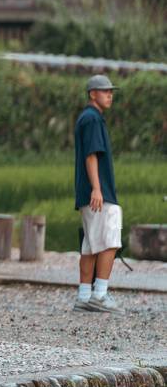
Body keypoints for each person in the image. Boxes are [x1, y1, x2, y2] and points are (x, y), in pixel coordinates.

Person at [74, 74, 122, 313]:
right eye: (104, 91)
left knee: (91, 244)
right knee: (110, 242)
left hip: (89, 192)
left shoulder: (88, 118)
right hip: (99, 193)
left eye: (111, 91)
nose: (109, 94)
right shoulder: (92, 119)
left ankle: (84, 297)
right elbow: (91, 155)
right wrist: (97, 188)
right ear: (93, 94)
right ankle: (100, 294)